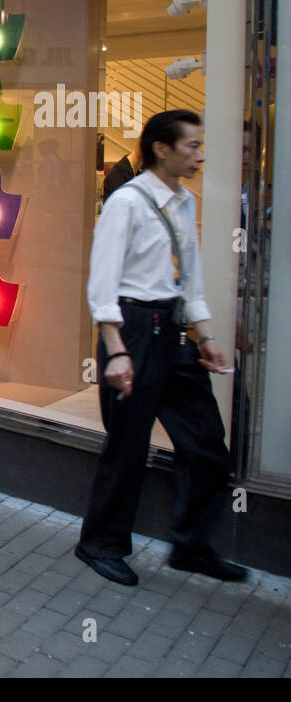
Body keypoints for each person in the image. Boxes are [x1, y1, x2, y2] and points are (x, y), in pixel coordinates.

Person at [77, 109, 248, 587]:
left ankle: (191, 546)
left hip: (172, 331)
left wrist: (207, 335)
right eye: (192, 145)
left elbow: (189, 278)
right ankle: (100, 544)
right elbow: (102, 281)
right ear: (162, 149)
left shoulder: (185, 203)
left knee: (207, 444)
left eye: (200, 144)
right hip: (131, 328)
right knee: (127, 446)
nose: (200, 154)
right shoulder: (126, 203)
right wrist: (116, 349)